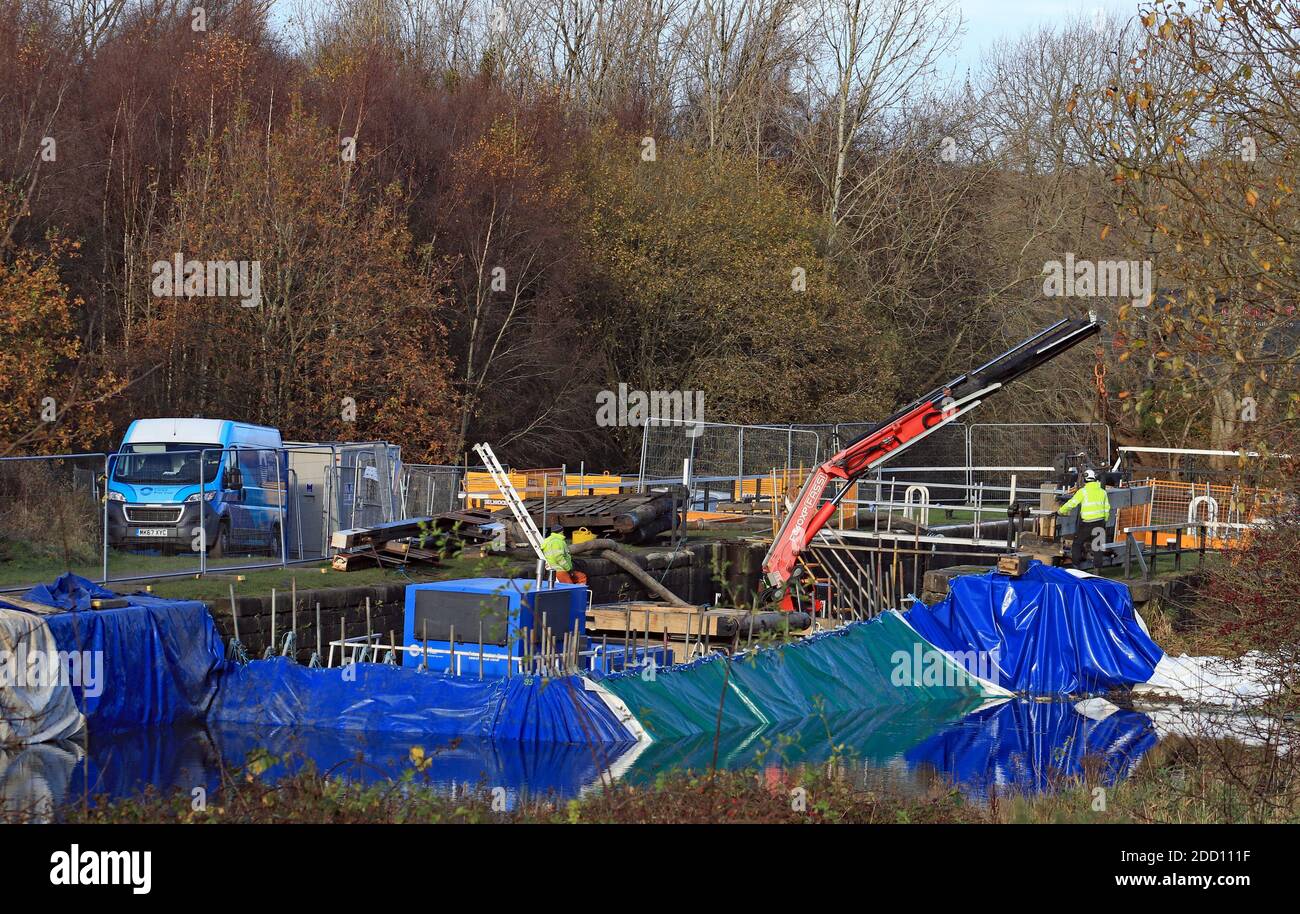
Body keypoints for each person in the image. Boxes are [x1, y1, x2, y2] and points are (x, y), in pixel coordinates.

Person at [1057, 469, 1111, 571]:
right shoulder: (1103, 492)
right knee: (1097, 546)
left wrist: (1060, 511)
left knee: (1077, 544)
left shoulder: (1083, 492)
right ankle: (1097, 572)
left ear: (1085, 480)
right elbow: (1107, 508)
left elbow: (1071, 503)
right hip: (1100, 523)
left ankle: (1076, 568)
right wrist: (1104, 520)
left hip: (1087, 524)